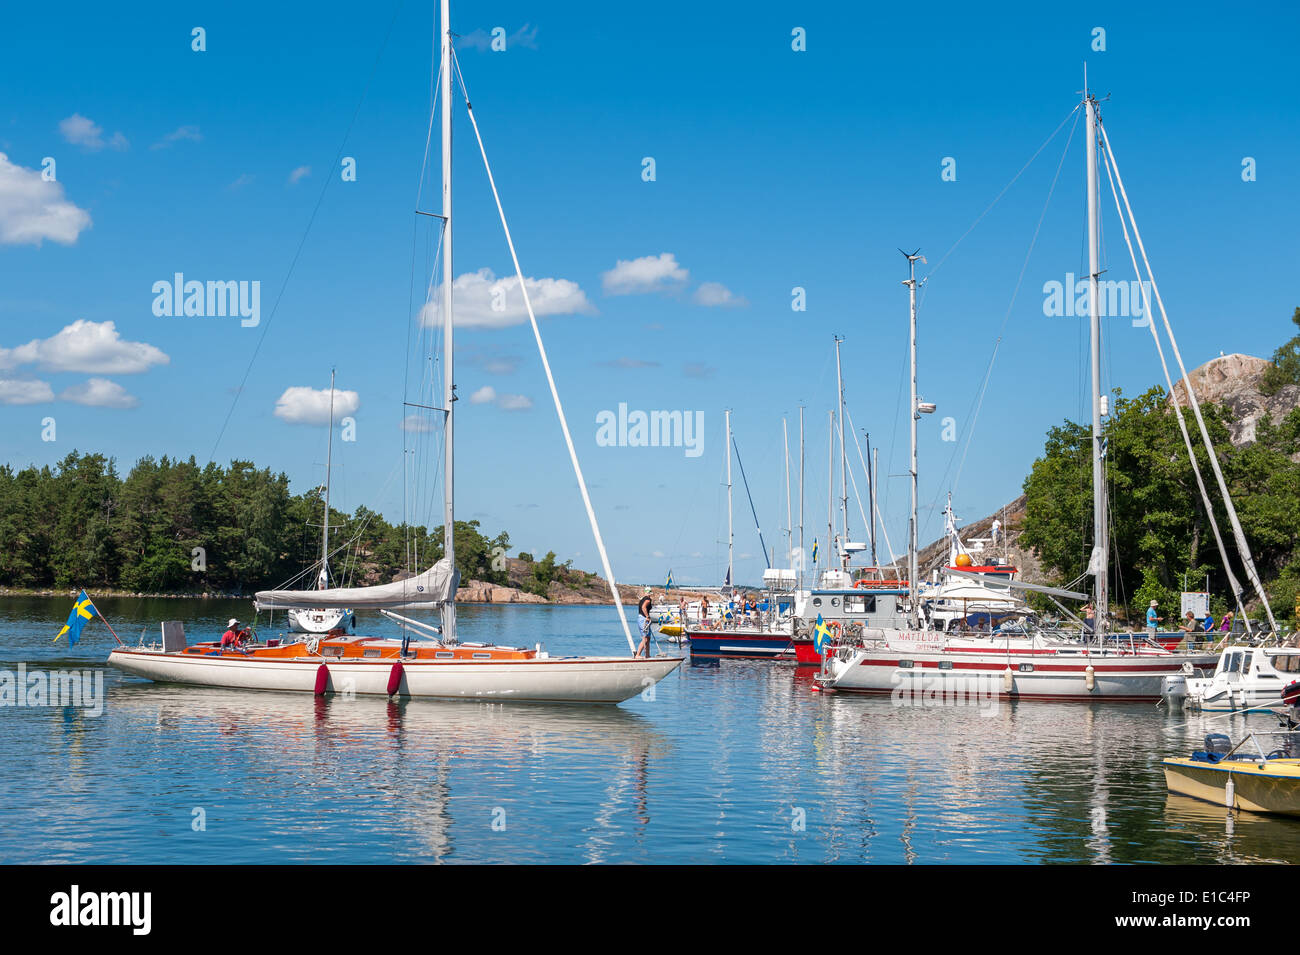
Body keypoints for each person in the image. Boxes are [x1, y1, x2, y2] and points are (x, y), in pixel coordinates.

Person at [635, 593, 653, 658]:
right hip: (643, 619)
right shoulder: (648, 599)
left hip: (641, 618)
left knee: (648, 638)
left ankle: (647, 655)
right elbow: (643, 607)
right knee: (645, 638)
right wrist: (647, 616)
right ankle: (638, 655)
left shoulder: (642, 599)